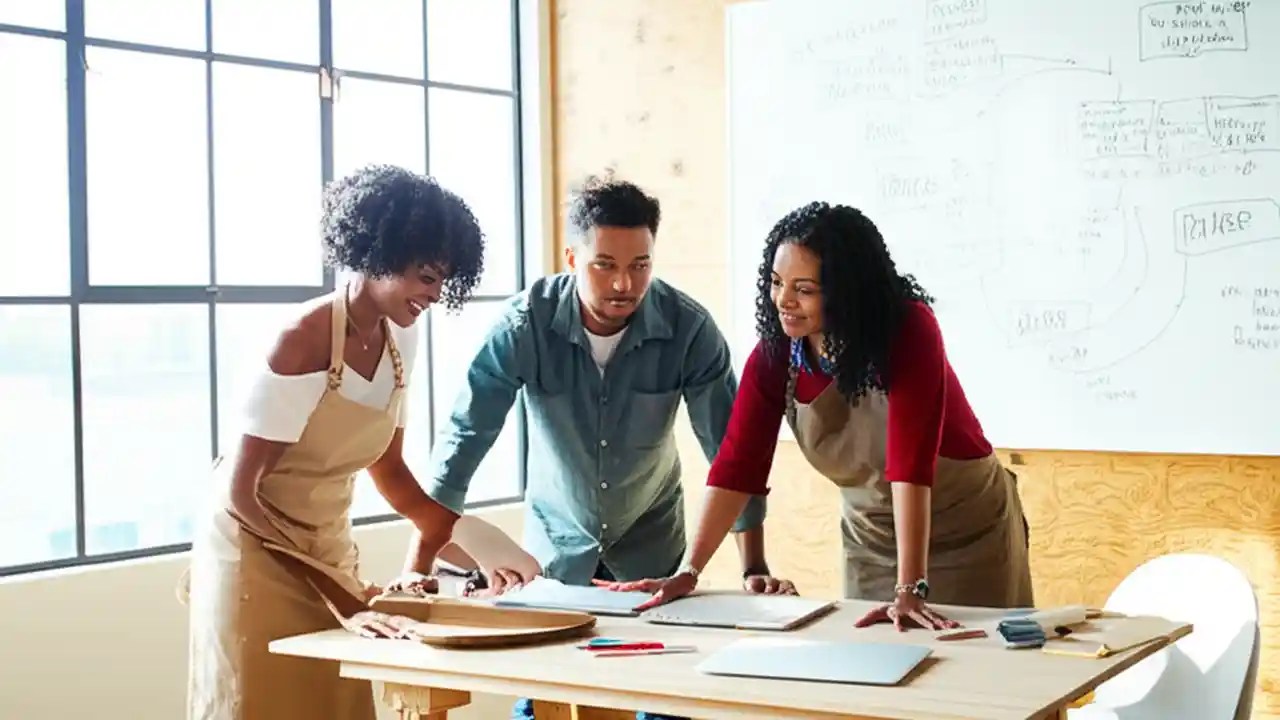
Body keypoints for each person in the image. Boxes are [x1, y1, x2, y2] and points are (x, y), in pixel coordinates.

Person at [384, 174, 765, 720]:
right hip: (555, 554)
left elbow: (730, 454)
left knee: (661, 700)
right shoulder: (524, 323)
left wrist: (755, 564)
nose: (623, 284)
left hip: (652, 549)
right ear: (571, 257)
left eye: (640, 265)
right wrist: (420, 559)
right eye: (604, 264)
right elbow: (467, 435)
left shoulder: (689, 328)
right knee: (547, 702)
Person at [182, 164, 529, 720]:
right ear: (380, 254)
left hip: (326, 543)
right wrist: (342, 598)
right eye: (424, 276)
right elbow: (239, 493)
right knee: (259, 703)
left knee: (335, 705)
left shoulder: (401, 337)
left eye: (443, 279)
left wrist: (453, 532)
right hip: (255, 552)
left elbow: (388, 468)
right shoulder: (302, 338)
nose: (435, 294)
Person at [599, 201, 1034, 631]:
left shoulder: (908, 331)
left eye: (803, 289)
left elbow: (910, 465)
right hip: (873, 538)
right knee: (879, 673)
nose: (783, 301)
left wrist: (911, 586)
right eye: (775, 282)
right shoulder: (776, 356)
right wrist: (689, 571)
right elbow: (736, 469)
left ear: (846, 292)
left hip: (968, 528)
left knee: (975, 672)